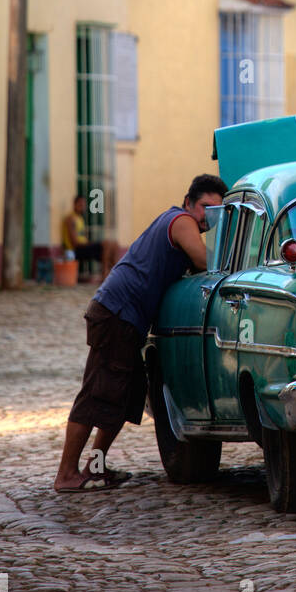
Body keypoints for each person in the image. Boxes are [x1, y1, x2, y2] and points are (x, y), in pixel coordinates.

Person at [54, 173, 227, 492]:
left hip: (123, 318)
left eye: (217, 212)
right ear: (189, 202)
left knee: (127, 394)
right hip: (116, 314)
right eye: (205, 207)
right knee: (98, 393)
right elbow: (205, 261)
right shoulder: (182, 220)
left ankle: (96, 467)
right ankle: (66, 474)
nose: (208, 217)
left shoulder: (177, 220)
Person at [61, 194, 104, 278]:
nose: (83, 207)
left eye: (84, 205)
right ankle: (105, 275)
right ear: (74, 204)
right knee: (105, 246)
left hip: (82, 247)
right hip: (75, 250)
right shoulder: (70, 219)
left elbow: (82, 237)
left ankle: (110, 274)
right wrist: (89, 244)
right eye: (80, 205)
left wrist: (88, 243)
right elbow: (75, 243)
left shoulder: (80, 218)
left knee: (110, 246)